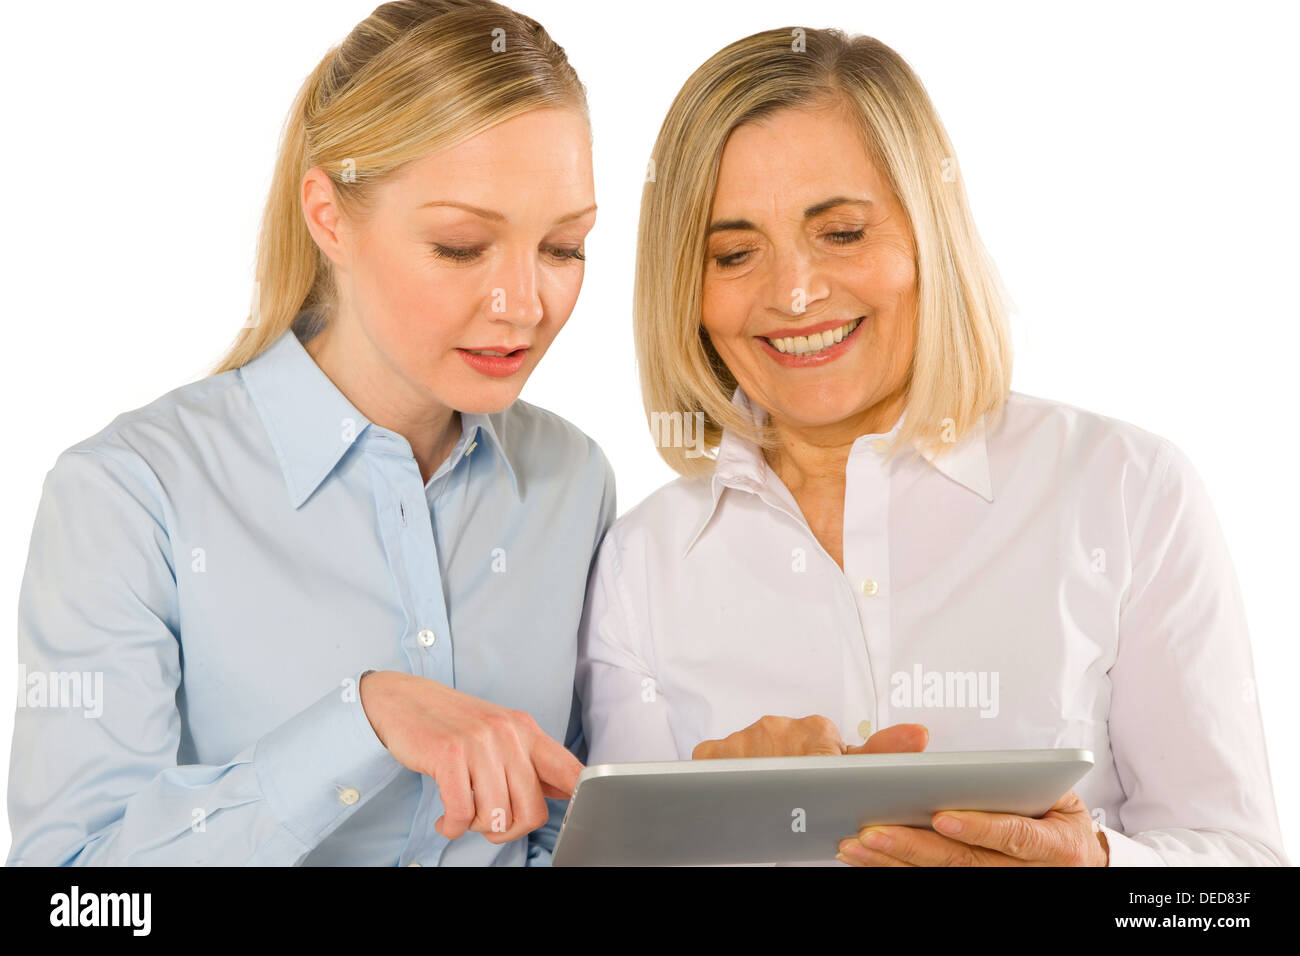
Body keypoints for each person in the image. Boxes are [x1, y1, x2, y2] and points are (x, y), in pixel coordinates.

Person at [577, 26, 1288, 866]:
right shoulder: (641, 564)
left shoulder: (1128, 492)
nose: (795, 292)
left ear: (929, 236)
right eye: (735, 253)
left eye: (841, 233)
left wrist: (1097, 868)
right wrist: (696, 832)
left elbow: (1233, 889)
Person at [8, 0, 612, 866]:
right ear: (328, 216)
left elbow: (574, 826)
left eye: (564, 247)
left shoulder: (572, 478)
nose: (524, 305)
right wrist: (361, 721)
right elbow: (78, 896)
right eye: (461, 247)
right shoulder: (130, 494)